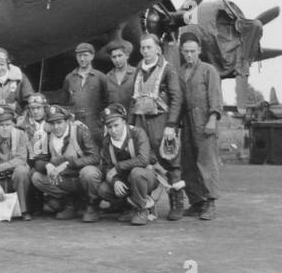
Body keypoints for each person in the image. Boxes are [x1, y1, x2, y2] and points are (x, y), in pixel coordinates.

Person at [129, 33, 185, 218]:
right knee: (144, 160)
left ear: (158, 49)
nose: (145, 51)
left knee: (170, 160)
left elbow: (177, 97)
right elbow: (134, 98)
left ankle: (177, 203)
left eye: (149, 47)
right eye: (143, 48)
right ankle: (147, 204)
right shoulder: (139, 68)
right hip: (140, 121)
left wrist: (171, 124)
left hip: (162, 121)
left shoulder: (168, 69)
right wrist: (130, 125)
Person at [176, 31, 223, 220]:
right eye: (186, 51)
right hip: (186, 121)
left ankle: (210, 202)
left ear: (199, 51)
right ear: (181, 51)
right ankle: (196, 202)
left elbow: (215, 96)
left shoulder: (208, 70)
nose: (189, 55)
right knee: (187, 163)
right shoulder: (179, 72)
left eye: (192, 51)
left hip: (204, 120)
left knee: (206, 162)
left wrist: (212, 118)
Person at [29, 104, 101, 220]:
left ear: (67, 121)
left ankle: (92, 205)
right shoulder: (47, 136)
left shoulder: (80, 132)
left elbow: (95, 157)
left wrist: (69, 163)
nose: (56, 127)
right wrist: (47, 165)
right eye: (52, 123)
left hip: (80, 177)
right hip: (64, 179)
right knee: (37, 177)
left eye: (59, 123)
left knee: (89, 173)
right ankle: (70, 202)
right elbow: (38, 161)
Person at [93, 103, 157, 226]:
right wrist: (115, 181)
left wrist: (118, 167)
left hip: (145, 177)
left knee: (136, 173)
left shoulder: (137, 133)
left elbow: (143, 159)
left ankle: (142, 209)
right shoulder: (107, 142)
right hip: (124, 179)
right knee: (103, 189)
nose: (113, 130)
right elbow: (107, 167)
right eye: (109, 126)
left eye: (116, 125)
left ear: (124, 121)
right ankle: (127, 207)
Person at [61, 42, 108, 143]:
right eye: (79, 55)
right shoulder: (69, 78)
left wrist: (101, 122)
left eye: (85, 55)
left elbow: (107, 101)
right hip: (76, 125)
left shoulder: (100, 77)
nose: (82, 59)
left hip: (95, 125)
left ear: (92, 56)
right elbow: (64, 104)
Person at [101, 39, 137, 113]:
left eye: (120, 55)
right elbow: (105, 101)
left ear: (127, 56)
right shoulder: (107, 78)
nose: (117, 60)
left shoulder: (136, 73)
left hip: (134, 118)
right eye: (114, 57)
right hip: (115, 119)